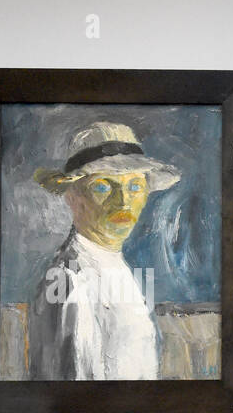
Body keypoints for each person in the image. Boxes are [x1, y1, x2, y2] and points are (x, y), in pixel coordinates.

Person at [28, 121, 180, 380]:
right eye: (103, 186)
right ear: (73, 197)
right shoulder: (69, 281)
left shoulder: (114, 266)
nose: (123, 201)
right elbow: (79, 400)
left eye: (134, 187)